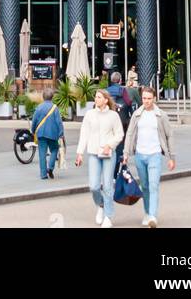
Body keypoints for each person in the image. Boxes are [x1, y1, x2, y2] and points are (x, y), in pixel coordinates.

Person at [122, 84, 176, 227]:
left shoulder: (161, 115)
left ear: (154, 99)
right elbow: (130, 134)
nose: (146, 101)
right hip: (140, 155)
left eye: (149, 98)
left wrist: (171, 157)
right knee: (145, 186)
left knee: (153, 186)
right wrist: (126, 153)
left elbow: (169, 135)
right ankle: (146, 213)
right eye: (144, 98)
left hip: (155, 155)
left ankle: (152, 216)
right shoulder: (137, 114)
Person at [75, 88, 124, 227]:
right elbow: (84, 134)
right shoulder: (90, 115)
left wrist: (110, 145)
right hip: (93, 153)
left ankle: (108, 216)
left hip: (108, 153)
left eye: (99, 97)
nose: (96, 99)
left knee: (108, 186)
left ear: (106, 100)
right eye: (95, 97)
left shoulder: (113, 116)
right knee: (94, 186)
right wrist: (79, 153)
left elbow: (119, 134)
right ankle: (100, 204)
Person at [32, 88, 64, 180]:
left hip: (41, 134)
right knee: (54, 149)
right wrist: (61, 133)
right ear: (52, 97)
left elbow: (34, 121)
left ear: (43, 97)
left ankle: (43, 174)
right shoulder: (55, 108)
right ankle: (50, 168)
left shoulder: (39, 107)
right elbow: (59, 122)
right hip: (53, 134)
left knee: (42, 153)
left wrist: (33, 130)